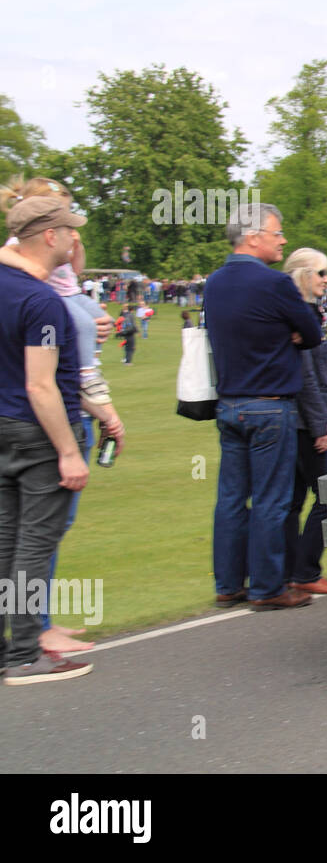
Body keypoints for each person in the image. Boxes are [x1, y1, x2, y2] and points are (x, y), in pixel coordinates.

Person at [0, 196, 122, 684]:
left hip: (5, 426)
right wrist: (69, 452)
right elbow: (41, 383)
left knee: (6, 544)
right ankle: (26, 652)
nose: (75, 239)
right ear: (49, 236)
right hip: (38, 433)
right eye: (69, 230)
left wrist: (99, 410)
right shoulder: (41, 300)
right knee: (32, 545)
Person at [204, 203, 322, 611]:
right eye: (277, 233)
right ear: (253, 236)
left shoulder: (214, 282)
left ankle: (228, 583)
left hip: (230, 403)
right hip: (270, 405)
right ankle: (268, 587)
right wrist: (286, 332)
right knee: (272, 499)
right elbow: (311, 334)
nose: (283, 239)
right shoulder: (275, 284)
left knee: (232, 499)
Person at [281, 248, 327, 595]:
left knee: (292, 501)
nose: (326, 280)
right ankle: (304, 571)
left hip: (300, 421)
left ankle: (291, 571)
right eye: (321, 273)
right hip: (308, 424)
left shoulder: (308, 314)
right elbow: (307, 378)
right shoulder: (302, 316)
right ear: (304, 275)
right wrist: (323, 425)